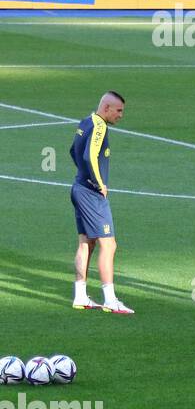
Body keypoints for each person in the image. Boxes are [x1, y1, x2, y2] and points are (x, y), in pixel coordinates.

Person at [70, 91, 133, 314]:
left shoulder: (85, 122)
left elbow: (73, 151)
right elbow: (89, 156)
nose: (120, 115)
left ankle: (80, 296)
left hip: (79, 188)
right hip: (91, 193)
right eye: (118, 110)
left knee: (86, 243)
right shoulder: (99, 126)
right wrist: (99, 183)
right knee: (109, 244)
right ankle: (110, 299)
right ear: (106, 107)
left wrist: (83, 177)